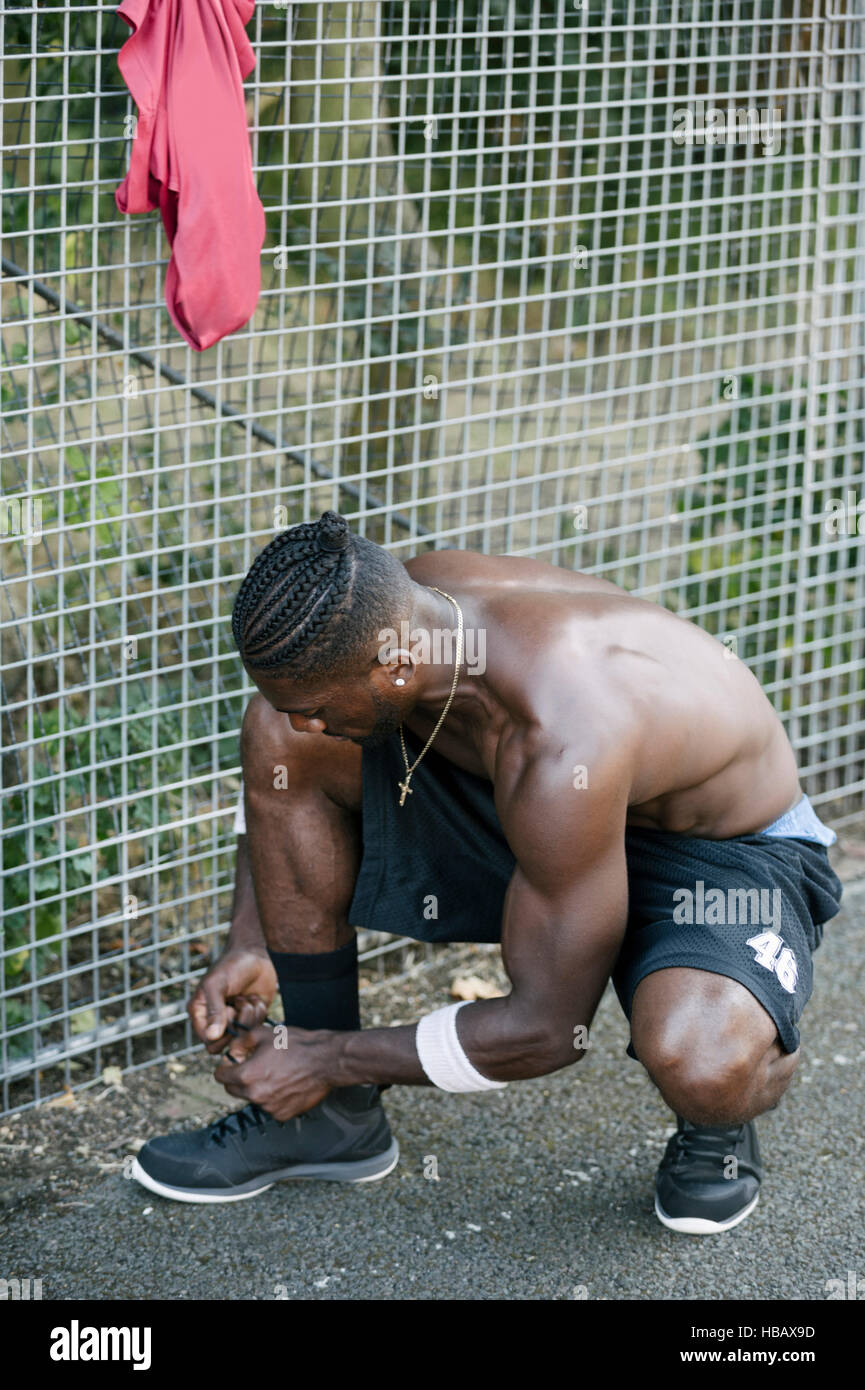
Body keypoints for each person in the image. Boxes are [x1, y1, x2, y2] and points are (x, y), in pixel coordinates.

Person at [132, 510, 843, 1233]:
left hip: (715, 852)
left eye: (317, 708)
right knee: (277, 735)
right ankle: (331, 1125)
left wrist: (329, 1057)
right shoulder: (395, 610)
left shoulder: (560, 733)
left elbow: (544, 1031)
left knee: (700, 1063)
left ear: (397, 668)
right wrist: (252, 940)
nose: (307, 720)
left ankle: (722, 1116)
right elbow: (291, 734)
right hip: (537, 810)